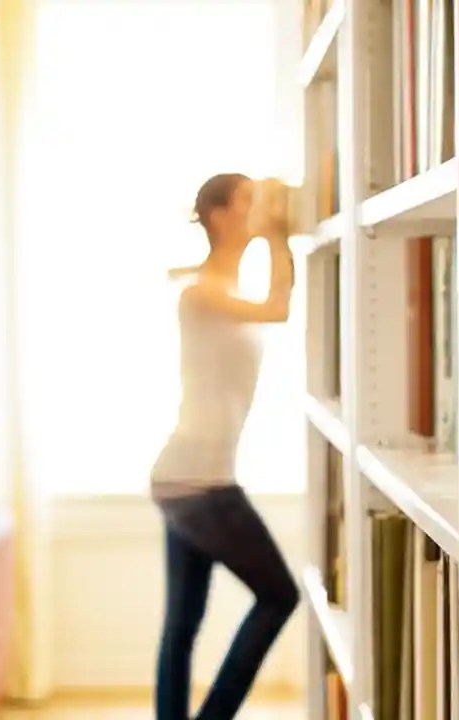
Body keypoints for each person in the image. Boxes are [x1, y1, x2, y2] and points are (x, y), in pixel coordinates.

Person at [149, 172, 300, 720]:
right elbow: (278, 306)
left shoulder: (223, 292)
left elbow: (262, 301)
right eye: (247, 201)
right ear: (218, 216)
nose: (257, 208)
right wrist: (279, 234)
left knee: (182, 624)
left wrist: (273, 233)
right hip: (199, 483)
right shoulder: (200, 295)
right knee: (280, 596)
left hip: (186, 480)